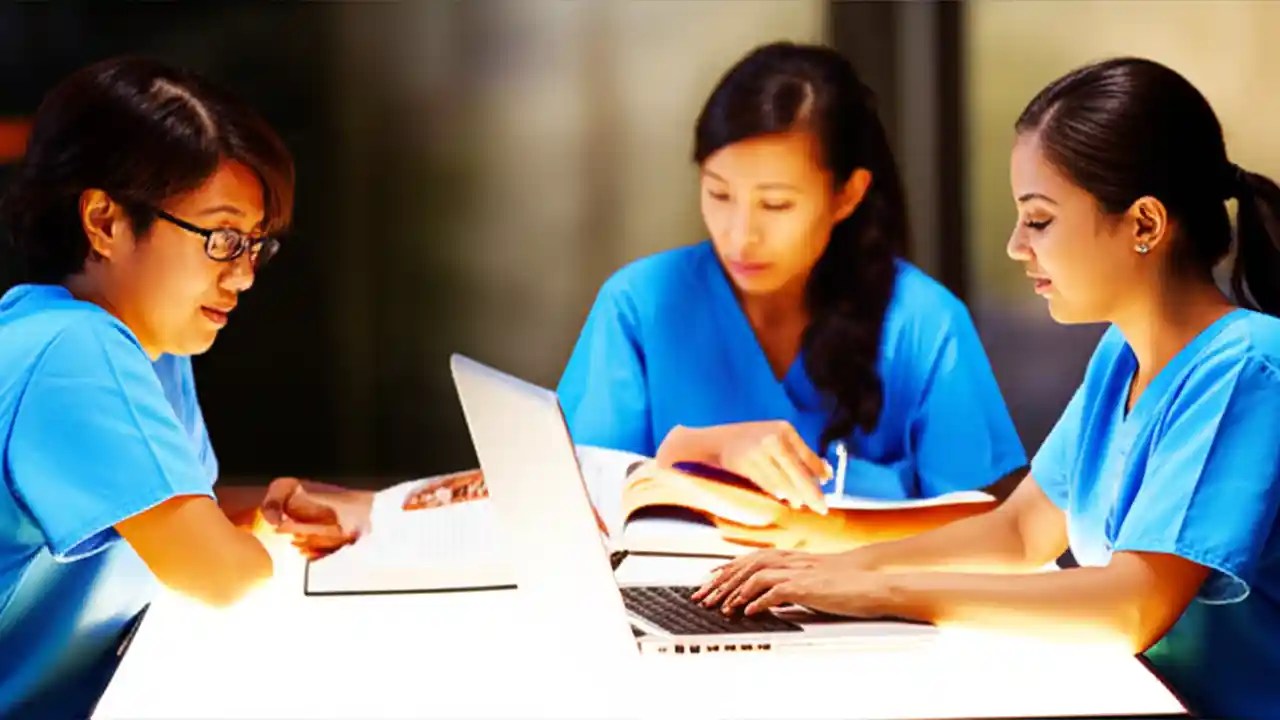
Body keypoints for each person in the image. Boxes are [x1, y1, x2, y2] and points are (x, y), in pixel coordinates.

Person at [697, 56, 1280, 719]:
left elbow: (1132, 606)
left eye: (1039, 219)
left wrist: (885, 589)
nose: (1014, 245)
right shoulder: (1124, 350)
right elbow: (1021, 530)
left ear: (1144, 224)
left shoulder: (1248, 368)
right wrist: (849, 568)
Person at [0, 56, 371, 718]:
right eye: (223, 238)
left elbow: (166, 533)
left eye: (256, 244)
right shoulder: (72, 348)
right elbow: (217, 576)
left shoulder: (152, 345)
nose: (246, 274)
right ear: (104, 222)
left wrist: (262, 526)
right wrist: (245, 550)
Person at [557, 42, 1025, 515]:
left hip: (873, 589)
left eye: (776, 204)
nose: (740, 236)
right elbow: (565, 494)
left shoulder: (924, 322)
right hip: (668, 587)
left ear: (846, 195)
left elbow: (995, 524)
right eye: (719, 194)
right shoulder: (642, 303)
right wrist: (699, 450)